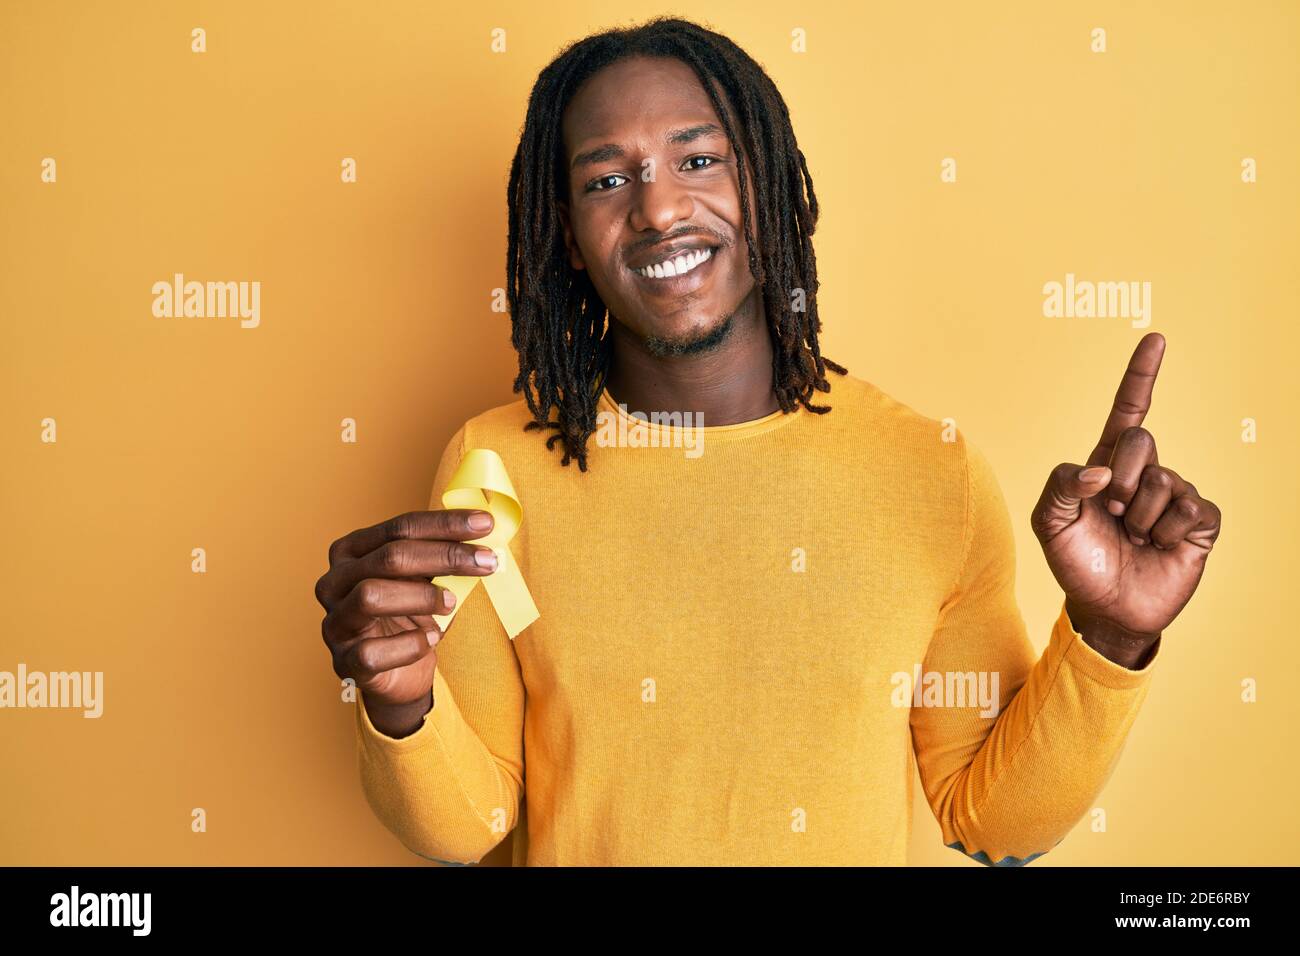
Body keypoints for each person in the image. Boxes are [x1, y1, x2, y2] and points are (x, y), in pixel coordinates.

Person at [313, 17, 1221, 866]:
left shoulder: (929, 472)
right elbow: (470, 827)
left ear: (770, 184)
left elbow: (993, 819)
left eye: (699, 159)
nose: (659, 211)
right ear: (569, 236)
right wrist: (402, 702)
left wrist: (1110, 633)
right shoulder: (496, 470)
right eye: (605, 179)